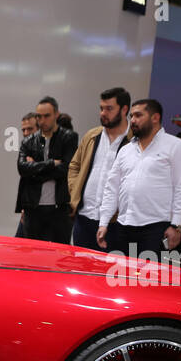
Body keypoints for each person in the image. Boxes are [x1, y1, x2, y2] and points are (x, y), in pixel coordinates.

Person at [96, 98, 181, 256]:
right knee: (120, 276)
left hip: (155, 228)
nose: (132, 120)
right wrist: (104, 222)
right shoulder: (126, 150)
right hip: (123, 225)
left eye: (138, 115)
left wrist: (176, 225)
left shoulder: (176, 146)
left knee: (147, 279)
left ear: (155, 117)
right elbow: (112, 187)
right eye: (131, 116)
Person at [67, 87, 131, 249]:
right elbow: (74, 166)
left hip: (115, 222)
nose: (103, 113)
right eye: (101, 108)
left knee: (110, 271)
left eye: (109, 108)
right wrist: (75, 191)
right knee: (80, 269)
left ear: (124, 110)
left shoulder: (134, 142)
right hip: (84, 217)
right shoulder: (91, 136)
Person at [17, 96, 78, 243]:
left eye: (46, 116)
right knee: (32, 254)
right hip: (33, 208)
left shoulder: (69, 137)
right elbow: (22, 169)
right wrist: (51, 164)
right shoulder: (28, 141)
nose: (42, 120)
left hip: (60, 208)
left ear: (56, 114)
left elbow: (66, 169)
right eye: (39, 116)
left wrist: (35, 169)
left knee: (59, 256)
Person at [14, 112, 37, 237]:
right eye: (23, 130)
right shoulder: (26, 148)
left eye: (30, 129)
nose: (26, 133)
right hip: (29, 209)